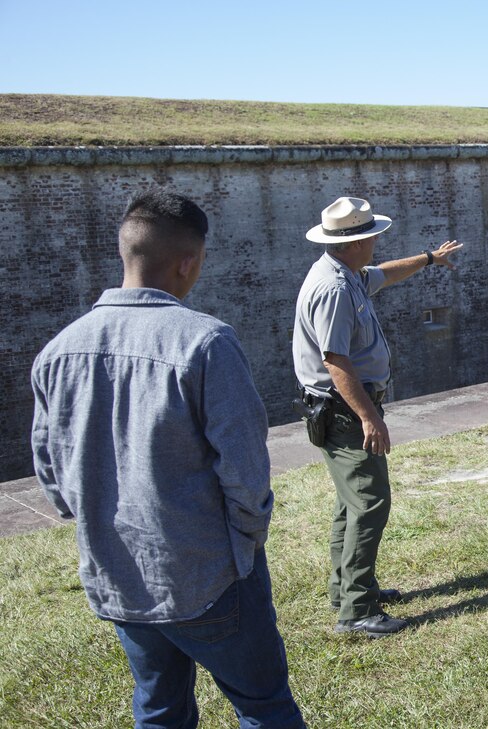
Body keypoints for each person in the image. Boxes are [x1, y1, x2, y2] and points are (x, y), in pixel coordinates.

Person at [31, 189, 305, 728]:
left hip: (119, 577)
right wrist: (244, 546)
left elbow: (53, 479)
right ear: (188, 262)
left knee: (158, 710)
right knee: (264, 705)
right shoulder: (206, 343)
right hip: (210, 574)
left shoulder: (57, 352)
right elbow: (246, 472)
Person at [292, 196, 462, 637]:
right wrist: (369, 418)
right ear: (356, 243)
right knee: (369, 502)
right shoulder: (333, 288)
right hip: (344, 410)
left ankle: (348, 588)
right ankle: (356, 610)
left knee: (352, 503)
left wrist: (429, 258)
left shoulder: (344, 273)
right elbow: (335, 361)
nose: (377, 243)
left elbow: (385, 274)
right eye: (372, 237)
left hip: (341, 408)